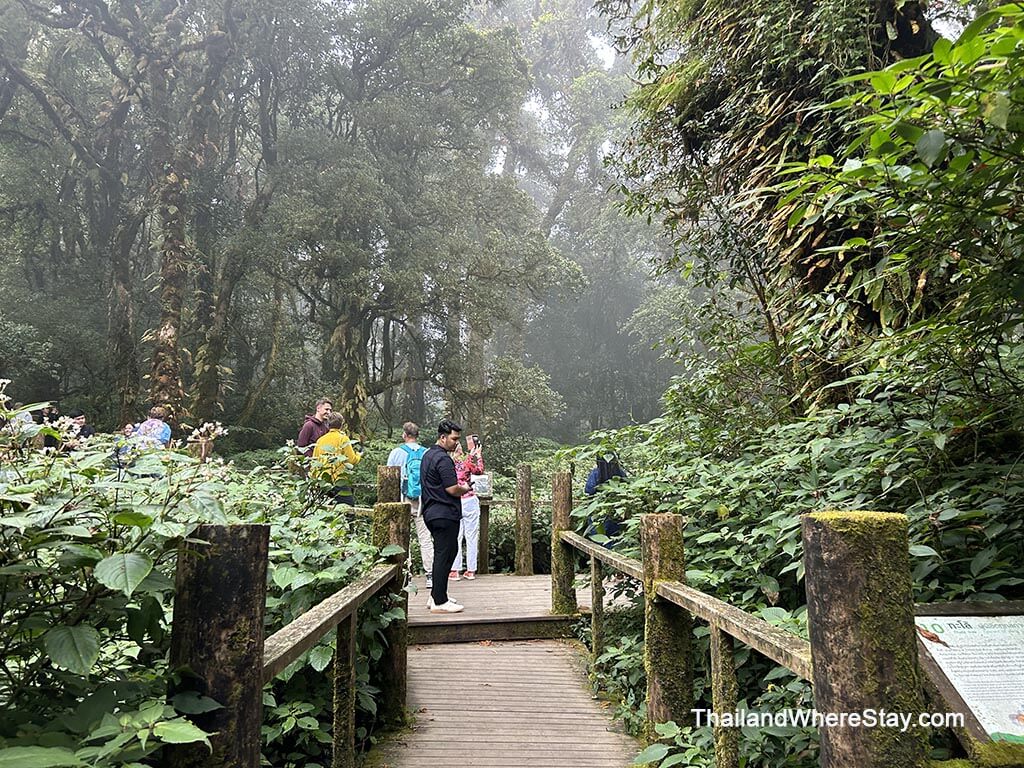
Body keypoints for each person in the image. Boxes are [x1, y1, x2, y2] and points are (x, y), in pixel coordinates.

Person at [421, 419, 472, 613]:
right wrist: (465, 488)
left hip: (431, 511)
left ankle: (436, 594)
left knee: (444, 554)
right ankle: (439, 602)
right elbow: (452, 488)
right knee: (445, 554)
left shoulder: (428, 455)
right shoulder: (443, 459)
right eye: (454, 439)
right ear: (442, 437)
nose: (456, 443)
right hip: (444, 513)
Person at [387, 422, 433, 588]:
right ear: (417, 435)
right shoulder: (426, 453)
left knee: (403, 538)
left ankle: (408, 574)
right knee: (425, 538)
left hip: (403, 499)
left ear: (404, 435)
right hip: (423, 501)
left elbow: (389, 477)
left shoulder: (396, 453)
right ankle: (430, 576)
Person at [449, 434, 484, 581]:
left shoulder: (448, 463)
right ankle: (470, 570)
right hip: (470, 499)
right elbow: (479, 471)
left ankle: (454, 570)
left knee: (455, 536)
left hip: (455, 500)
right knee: (471, 536)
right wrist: (478, 455)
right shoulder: (468, 461)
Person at [312, 412, 361, 506]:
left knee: (326, 511)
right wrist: (358, 455)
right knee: (348, 509)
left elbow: (315, 462)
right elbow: (351, 460)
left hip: (323, 481)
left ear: (327, 424)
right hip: (338, 479)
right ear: (342, 425)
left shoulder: (320, 440)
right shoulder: (343, 439)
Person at [585, 453, 628, 540]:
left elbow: (588, 490)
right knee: (614, 540)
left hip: (598, 511)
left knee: (598, 541)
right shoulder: (620, 473)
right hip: (616, 511)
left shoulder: (596, 473)